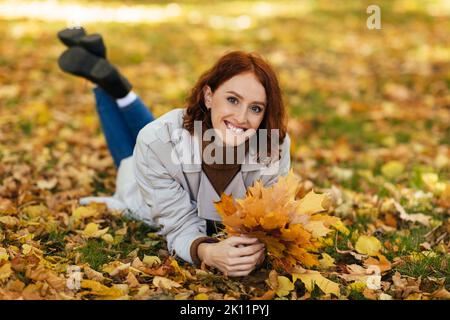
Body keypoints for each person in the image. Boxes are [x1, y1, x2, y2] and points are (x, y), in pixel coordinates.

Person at [57, 27, 291, 277]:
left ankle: (112, 81)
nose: (242, 117)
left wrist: (259, 248)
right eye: (232, 100)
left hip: (168, 144)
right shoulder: (156, 141)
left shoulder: (272, 145)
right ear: (209, 96)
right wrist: (207, 252)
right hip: (142, 187)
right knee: (131, 153)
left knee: (160, 137)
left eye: (255, 108)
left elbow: (269, 220)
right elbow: (177, 223)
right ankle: (100, 82)